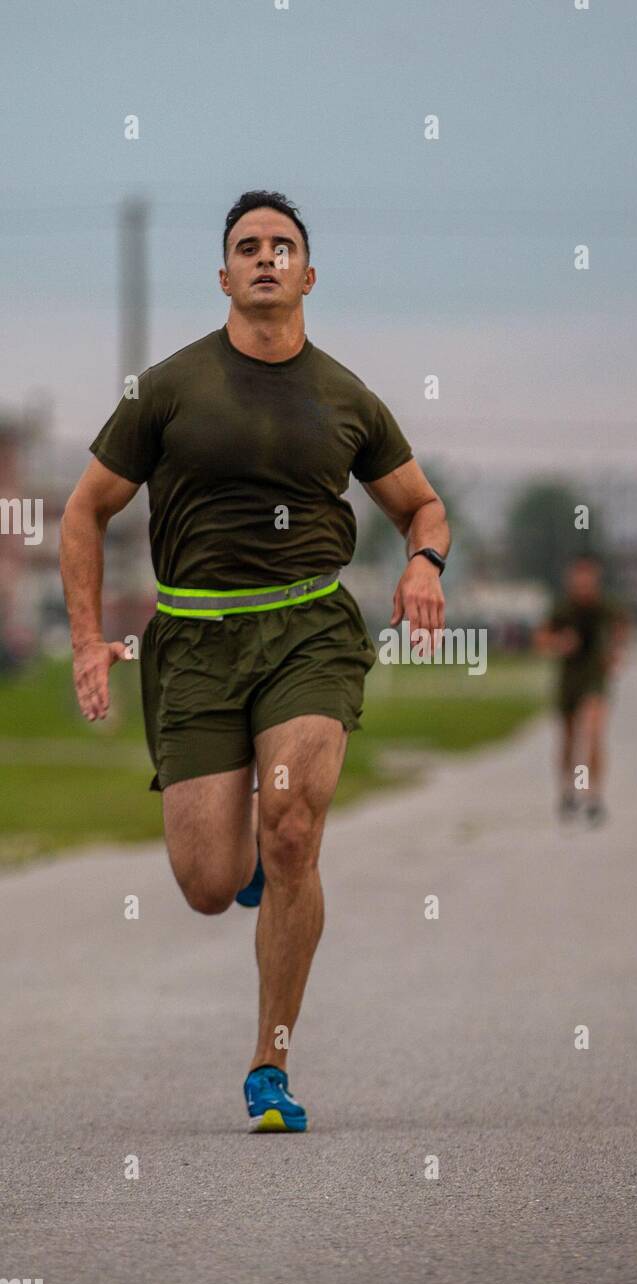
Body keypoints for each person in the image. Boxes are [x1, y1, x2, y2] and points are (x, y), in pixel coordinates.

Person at [60, 190, 450, 1132]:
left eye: (283, 247)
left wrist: (425, 566)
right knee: (205, 883)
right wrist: (85, 643)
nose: (266, 258)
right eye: (248, 247)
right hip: (194, 639)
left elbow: (420, 506)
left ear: (308, 275)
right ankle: (243, 872)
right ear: (224, 275)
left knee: (292, 831)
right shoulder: (164, 390)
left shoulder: (347, 397)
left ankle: (270, 1062)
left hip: (309, 629)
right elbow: (83, 512)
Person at [534, 556, 628, 824]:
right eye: (579, 581)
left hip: (594, 678)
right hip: (569, 678)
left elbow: (621, 629)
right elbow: (540, 639)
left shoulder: (606, 607)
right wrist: (558, 643)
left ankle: (594, 795)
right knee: (568, 737)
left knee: (594, 732)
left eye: (589, 581)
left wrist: (617, 652)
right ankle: (567, 792)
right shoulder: (563, 609)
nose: (584, 587)